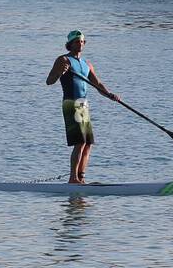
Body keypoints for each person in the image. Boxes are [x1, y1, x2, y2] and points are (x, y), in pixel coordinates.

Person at [46, 30, 119, 184]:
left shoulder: (87, 64)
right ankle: (73, 178)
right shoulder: (63, 60)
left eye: (82, 41)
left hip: (83, 105)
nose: (80, 44)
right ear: (70, 44)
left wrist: (109, 94)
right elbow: (49, 81)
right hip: (71, 104)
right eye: (76, 41)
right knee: (79, 142)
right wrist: (60, 72)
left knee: (88, 144)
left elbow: (97, 84)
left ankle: (81, 177)